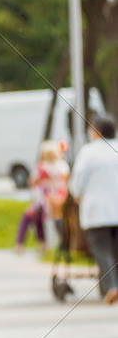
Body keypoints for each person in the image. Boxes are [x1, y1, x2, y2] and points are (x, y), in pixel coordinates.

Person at [69, 113, 118, 304]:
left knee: (102, 250)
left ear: (96, 131)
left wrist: (76, 195)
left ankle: (111, 287)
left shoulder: (88, 152)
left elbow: (77, 184)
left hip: (96, 212)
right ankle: (112, 286)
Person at [16, 141, 68, 252]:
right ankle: (40, 243)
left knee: (35, 216)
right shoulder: (57, 166)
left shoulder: (51, 166)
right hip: (48, 198)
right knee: (35, 217)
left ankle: (41, 243)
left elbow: (32, 182)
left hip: (50, 199)